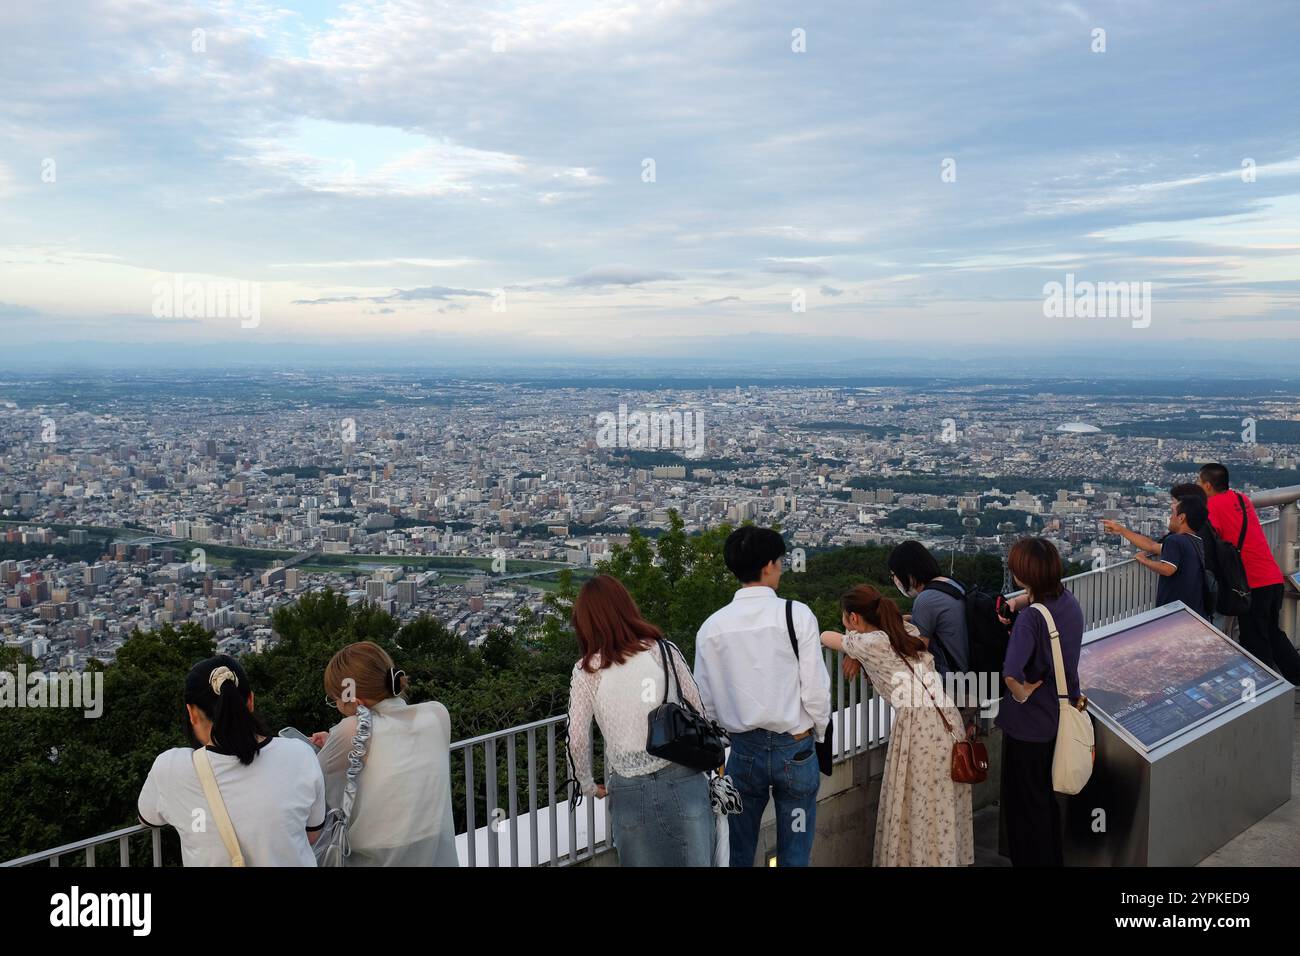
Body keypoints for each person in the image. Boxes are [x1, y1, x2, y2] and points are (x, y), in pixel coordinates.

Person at [694, 526, 831, 867]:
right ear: (769, 565)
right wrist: (819, 732)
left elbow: (704, 702)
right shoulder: (796, 615)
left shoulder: (712, 627)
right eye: (781, 561)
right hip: (795, 750)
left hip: (743, 753)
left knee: (737, 850)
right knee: (795, 849)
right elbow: (815, 689)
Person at [566, 574, 714, 866]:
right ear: (626, 607)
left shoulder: (586, 671)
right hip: (683, 775)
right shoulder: (663, 651)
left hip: (629, 788)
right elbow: (699, 709)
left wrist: (587, 785)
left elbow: (577, 738)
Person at [820, 585, 974, 866]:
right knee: (939, 799)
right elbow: (901, 622)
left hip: (918, 727)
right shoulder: (905, 632)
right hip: (946, 718)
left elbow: (825, 637)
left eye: (846, 617)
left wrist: (852, 646)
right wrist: (857, 648)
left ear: (853, 617)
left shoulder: (872, 643)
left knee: (916, 802)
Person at [137, 655, 327, 866]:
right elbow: (312, 833)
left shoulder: (171, 768)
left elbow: (147, 817)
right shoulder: (299, 755)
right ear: (250, 701)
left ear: (191, 713)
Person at [312, 641, 458, 866]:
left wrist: (338, 739)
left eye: (335, 699)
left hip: (377, 858)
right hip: (436, 851)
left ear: (353, 700)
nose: (337, 705)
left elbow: (315, 788)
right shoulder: (437, 714)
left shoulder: (350, 729)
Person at [994, 538, 1083, 867]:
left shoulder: (1032, 619)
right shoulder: (1068, 603)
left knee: (1023, 808)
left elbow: (1012, 673)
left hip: (1028, 726)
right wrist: (1020, 603)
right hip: (1058, 716)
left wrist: (1021, 692)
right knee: (1044, 804)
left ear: (1023, 574)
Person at [1198, 463, 1300, 683]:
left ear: (1207, 485)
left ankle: (1264, 691)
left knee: (1255, 639)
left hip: (1251, 583)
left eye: (1199, 482)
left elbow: (1205, 539)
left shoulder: (1212, 506)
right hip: (1272, 577)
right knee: (1273, 633)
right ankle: (1295, 678)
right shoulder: (1241, 498)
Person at [1103, 496, 1210, 617]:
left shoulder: (1174, 540)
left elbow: (1167, 569)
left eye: (1172, 513)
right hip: (1194, 609)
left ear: (1181, 518)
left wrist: (1144, 560)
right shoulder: (1196, 541)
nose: (1170, 517)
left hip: (1175, 610)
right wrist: (1121, 530)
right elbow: (1151, 546)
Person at [887, 540, 971, 678]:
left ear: (908, 573)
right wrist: (911, 619)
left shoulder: (925, 600)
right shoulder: (950, 583)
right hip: (973, 672)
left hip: (953, 682)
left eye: (894, 574)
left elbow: (918, 652)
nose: (895, 579)